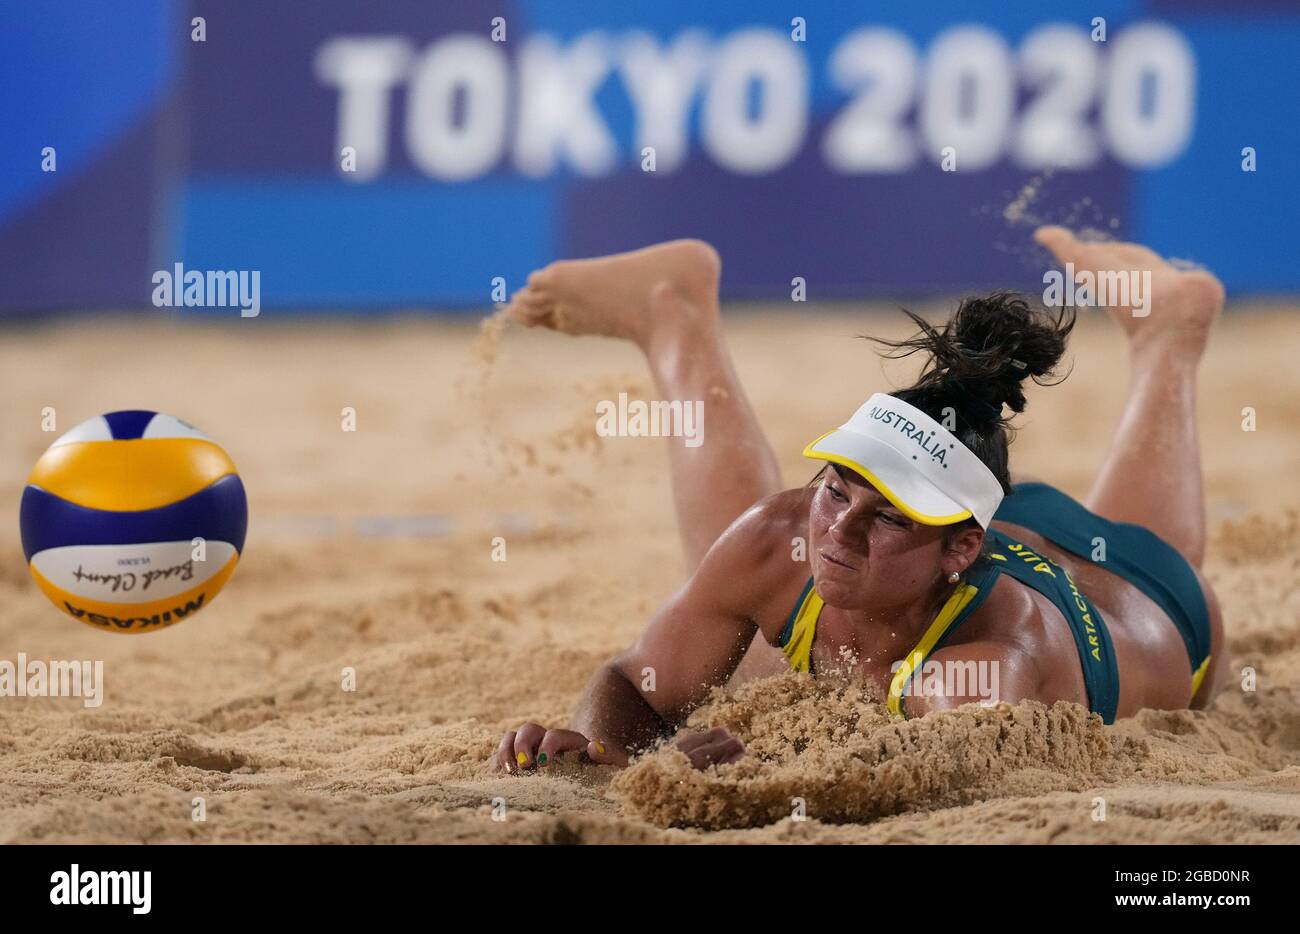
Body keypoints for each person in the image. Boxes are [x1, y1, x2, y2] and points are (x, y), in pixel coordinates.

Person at [491, 227, 1228, 773]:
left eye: (883, 517)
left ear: (963, 546)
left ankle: (1169, 332)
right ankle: (670, 314)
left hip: (1144, 592)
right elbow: (631, 681)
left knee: (760, 667)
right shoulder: (790, 531)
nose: (839, 530)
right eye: (837, 490)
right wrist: (597, 754)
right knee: (751, 604)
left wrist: (713, 782)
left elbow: (897, 783)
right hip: (947, 545)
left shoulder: (988, 668)